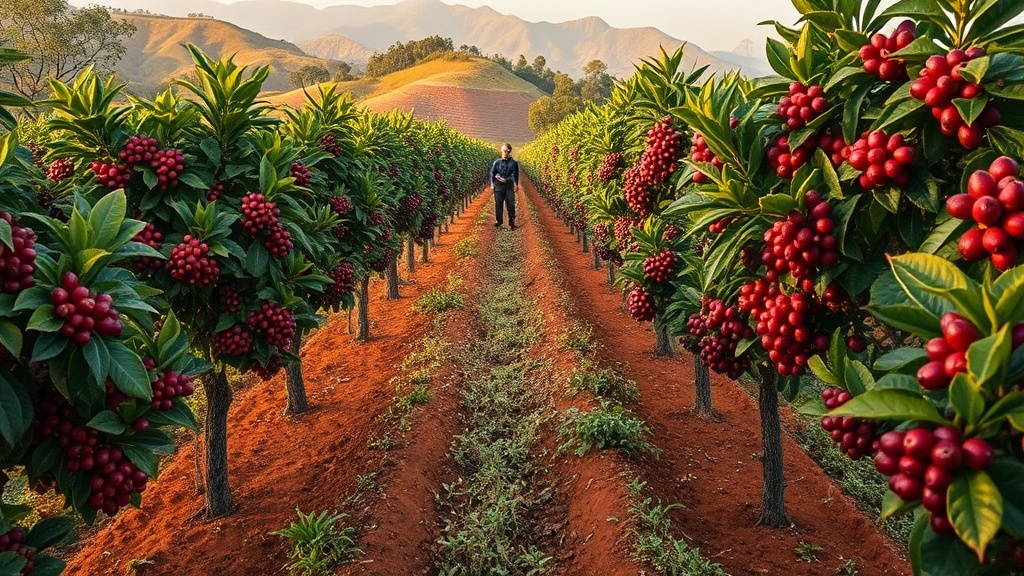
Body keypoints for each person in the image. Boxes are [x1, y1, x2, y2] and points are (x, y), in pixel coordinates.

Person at [490, 143, 521, 229]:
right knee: (498, 203)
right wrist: (492, 184)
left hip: (509, 186)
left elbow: (515, 175)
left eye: (505, 151)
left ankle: (511, 222)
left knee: (510, 204)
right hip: (498, 186)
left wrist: (515, 184)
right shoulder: (497, 162)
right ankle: (499, 221)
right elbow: (493, 173)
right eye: (502, 151)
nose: (503, 152)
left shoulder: (514, 163)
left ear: (509, 151)